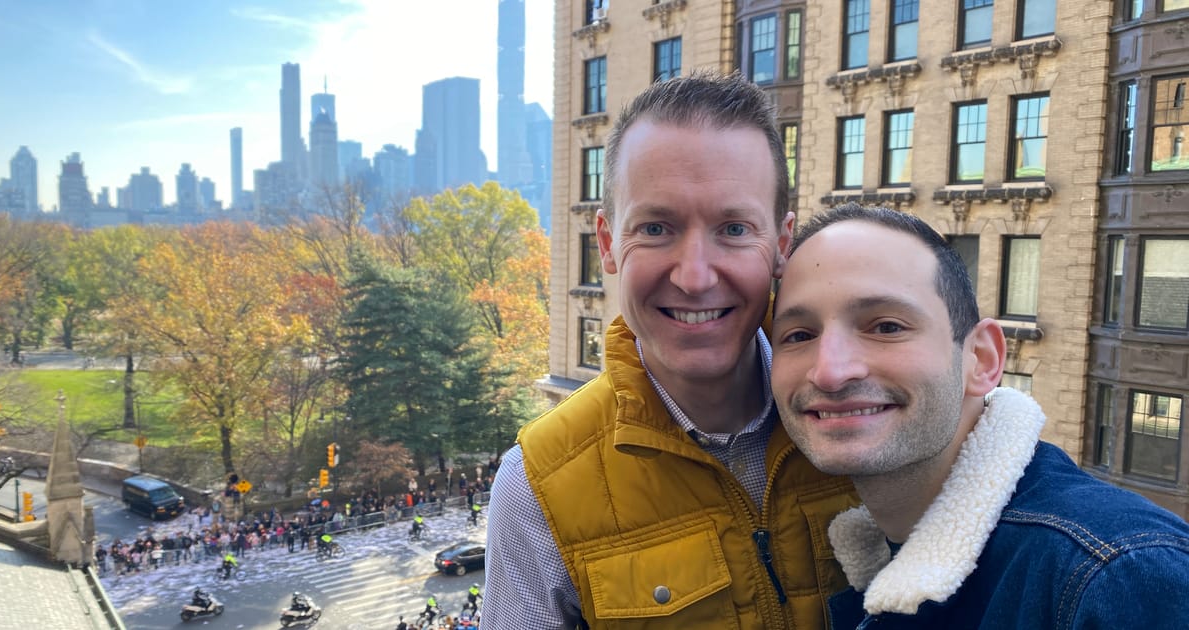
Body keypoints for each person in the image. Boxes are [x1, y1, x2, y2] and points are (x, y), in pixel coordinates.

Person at [482, 71, 858, 629]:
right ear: (608, 243)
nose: (695, 276)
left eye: (733, 228)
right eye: (657, 228)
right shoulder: (536, 487)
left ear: (781, 244)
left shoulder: (865, 414)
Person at [769, 204, 1189, 628]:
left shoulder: (1117, 576)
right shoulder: (864, 564)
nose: (830, 370)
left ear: (981, 359)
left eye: (886, 326)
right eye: (799, 335)